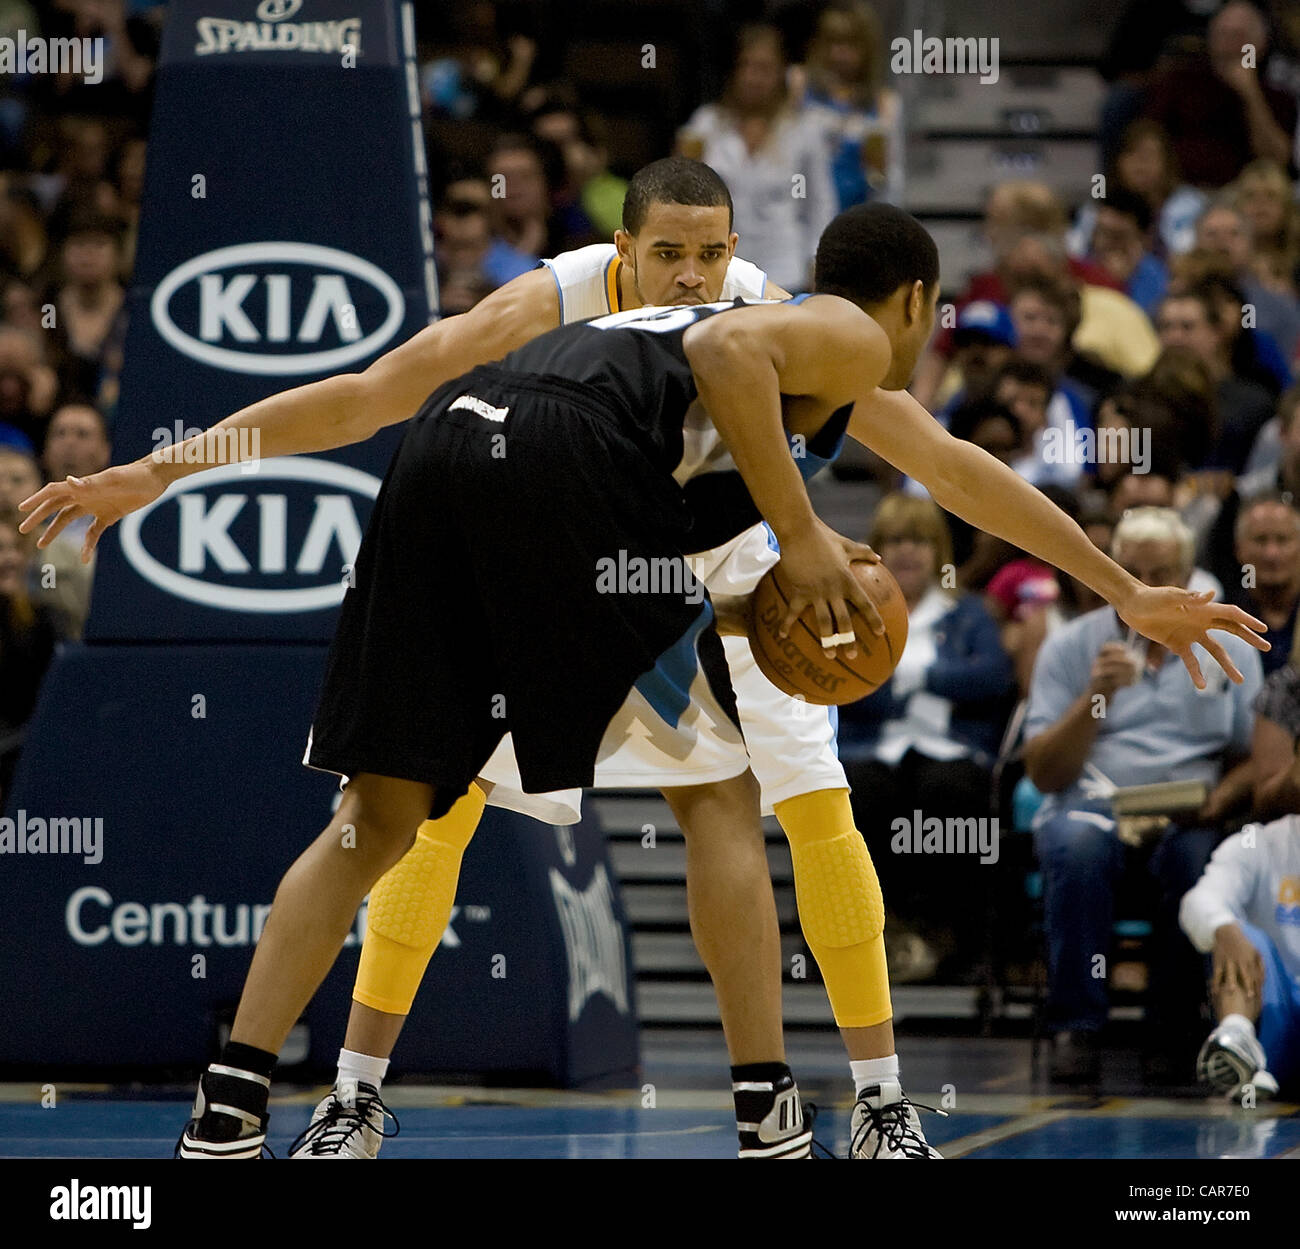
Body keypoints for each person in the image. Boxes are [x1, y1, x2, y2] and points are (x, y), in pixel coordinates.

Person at [23, 205, 1268, 1162]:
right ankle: (766, 1107)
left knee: (376, 816)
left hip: (458, 464)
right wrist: (809, 537)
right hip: (592, 495)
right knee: (719, 792)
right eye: (670, 250)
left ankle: (231, 1102)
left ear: (734, 243)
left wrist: (160, 469)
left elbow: (953, 470)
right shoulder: (819, 322)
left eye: (711, 248)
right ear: (915, 303)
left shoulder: (679, 319)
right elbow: (754, 369)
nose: (694, 270)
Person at [1023, 507, 1264, 1085]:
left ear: (1188, 572)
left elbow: (1252, 758)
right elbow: (1042, 772)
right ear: (1113, 570)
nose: (1148, 587)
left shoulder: (1227, 644)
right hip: (1094, 801)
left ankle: (1174, 1026)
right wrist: (1094, 697)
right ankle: (1076, 1027)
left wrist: (1218, 801)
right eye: (1133, 572)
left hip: (1190, 807)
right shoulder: (1072, 647)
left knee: (1197, 857)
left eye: (1163, 574)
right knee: (1075, 844)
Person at [837, 493, 1014, 982]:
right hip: (872, 748)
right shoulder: (854, 613)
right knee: (862, 792)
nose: (907, 552)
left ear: (938, 551)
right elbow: (847, 688)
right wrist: (937, 678)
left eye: (918, 540)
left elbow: (994, 679)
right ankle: (870, 933)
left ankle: (950, 933)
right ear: (877, 551)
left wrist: (906, 678)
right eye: (894, 541)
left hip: (952, 749)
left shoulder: (968, 613)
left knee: (949, 791)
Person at [678, 24, 837, 291]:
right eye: (746, 66)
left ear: (781, 74)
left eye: (764, 68)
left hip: (786, 271)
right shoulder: (707, 125)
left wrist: (816, 262)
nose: (753, 77)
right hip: (721, 272)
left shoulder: (803, 131)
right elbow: (681, 194)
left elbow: (820, 205)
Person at [1180, 813, 1300, 1102]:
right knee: (1236, 933)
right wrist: (1224, 929)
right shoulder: (1257, 843)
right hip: (1276, 1007)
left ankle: (1249, 1071)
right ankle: (1238, 1040)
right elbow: (1198, 900)